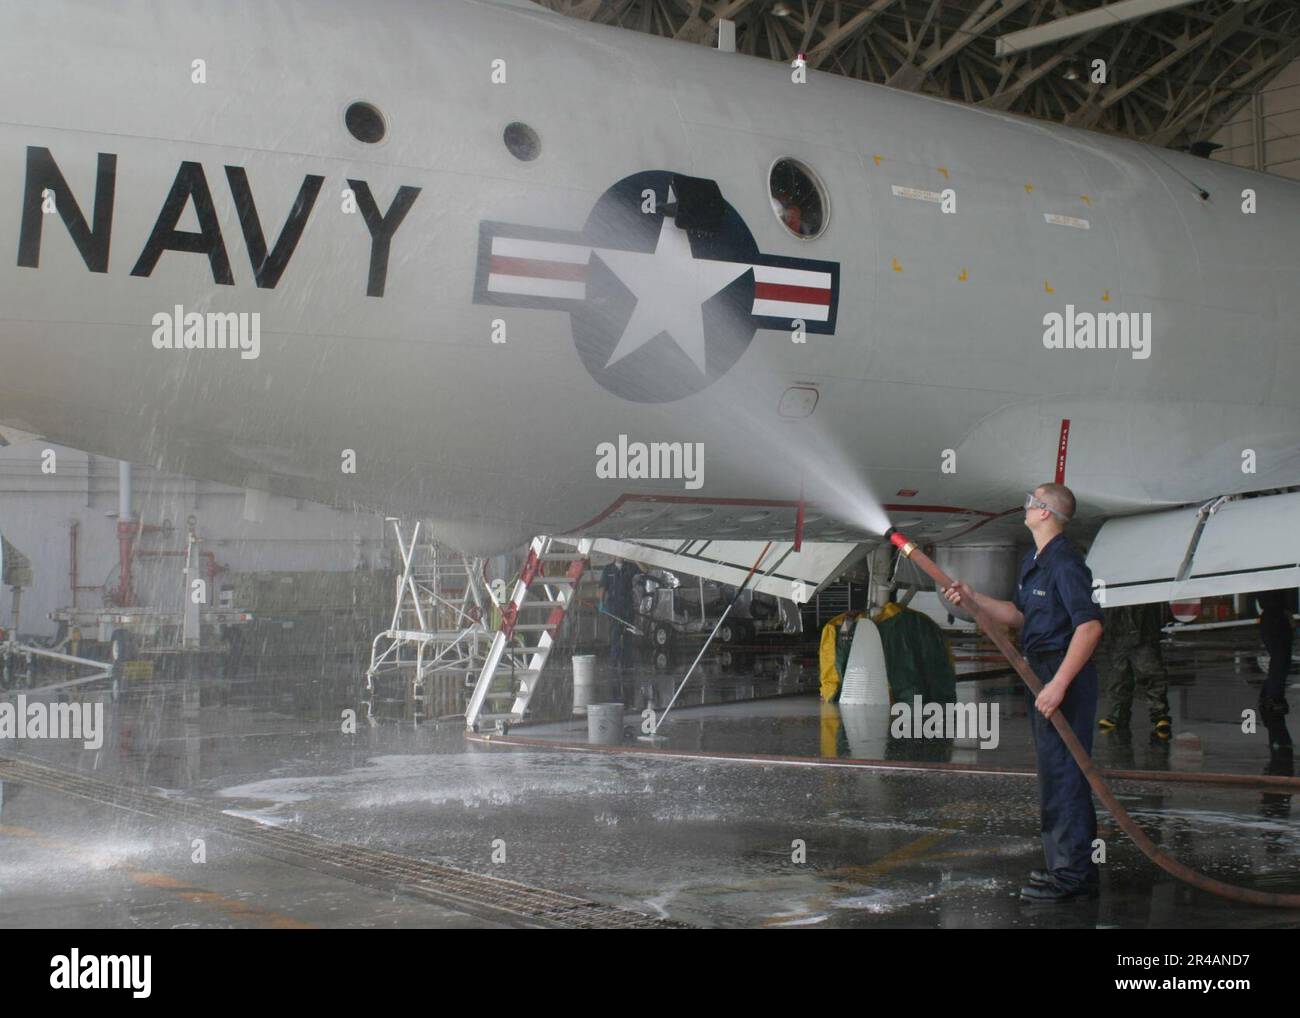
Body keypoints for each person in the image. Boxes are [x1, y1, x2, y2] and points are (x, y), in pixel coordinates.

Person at [942, 482, 1104, 903]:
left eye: (1033, 502)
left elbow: (1089, 627)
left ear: (1047, 512)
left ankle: (1069, 876)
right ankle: (1072, 869)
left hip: (1062, 672)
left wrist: (1059, 684)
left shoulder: (1066, 563)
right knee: (1057, 773)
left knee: (1065, 774)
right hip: (1044, 671)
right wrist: (973, 599)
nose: (1026, 506)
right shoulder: (1035, 559)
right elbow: (1017, 614)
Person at [1097, 603, 1171, 737]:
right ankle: (1117, 715)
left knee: (1151, 673)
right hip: (1118, 632)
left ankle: (1159, 715)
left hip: (1142, 631)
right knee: (1118, 677)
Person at [1257, 589, 1292, 718]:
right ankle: (1273, 697)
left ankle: (1270, 696)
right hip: (1275, 616)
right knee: (1280, 661)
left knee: (1281, 661)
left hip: (1277, 616)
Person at [598, 557, 638, 671]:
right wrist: (601, 602)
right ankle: (614, 663)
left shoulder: (630, 566)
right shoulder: (608, 569)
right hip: (614, 607)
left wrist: (636, 557)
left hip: (627, 606)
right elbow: (602, 587)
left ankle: (627, 664)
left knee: (628, 635)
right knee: (615, 635)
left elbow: (645, 570)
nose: (619, 555)